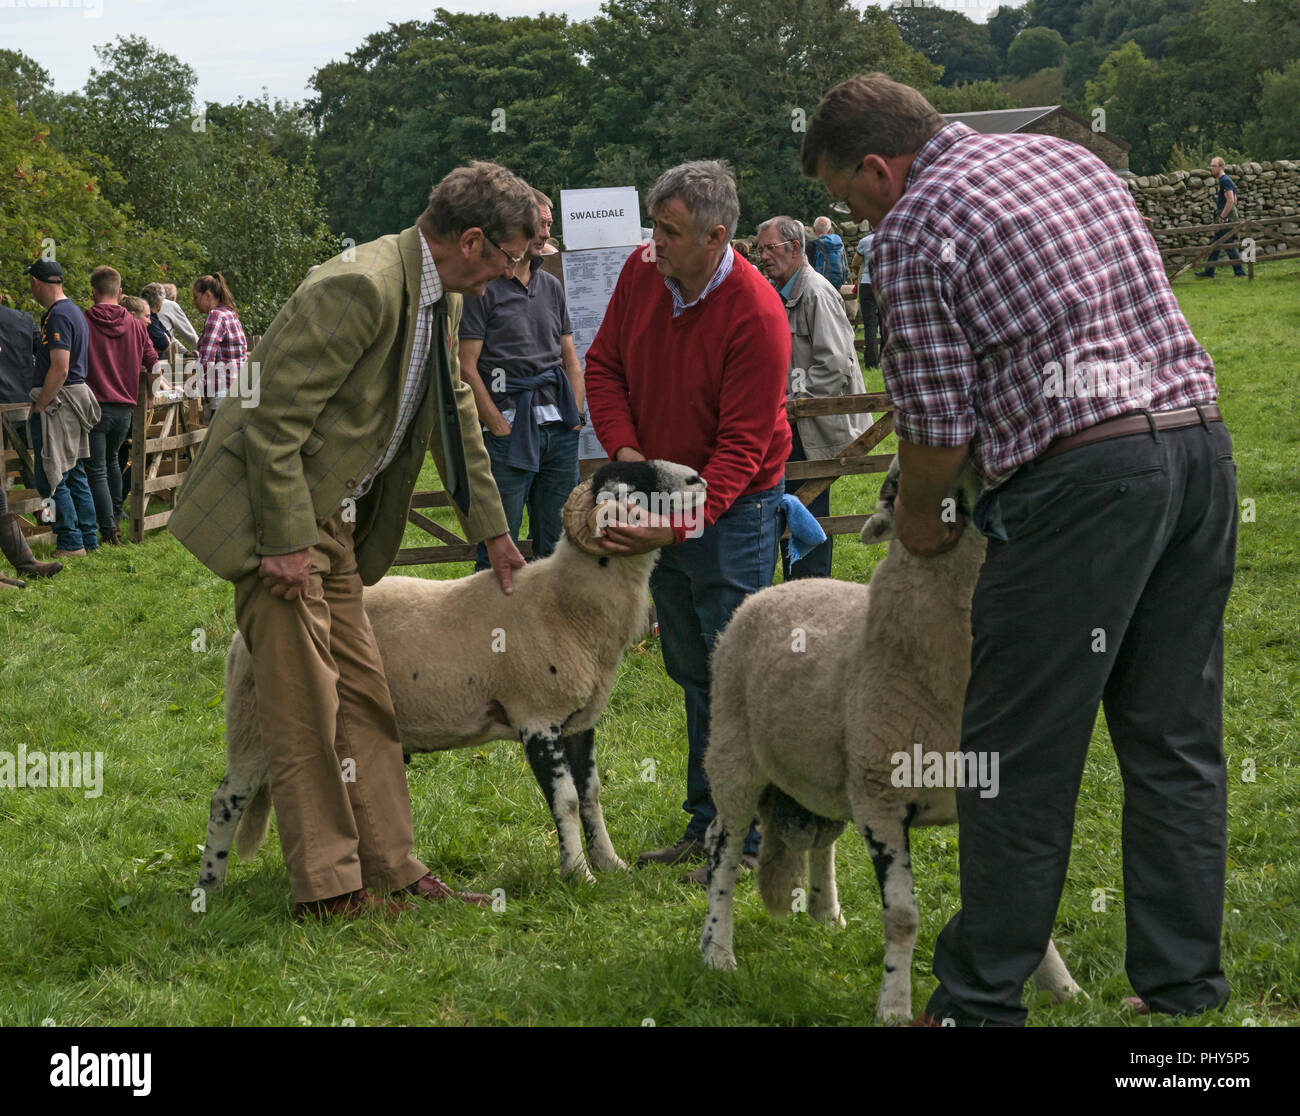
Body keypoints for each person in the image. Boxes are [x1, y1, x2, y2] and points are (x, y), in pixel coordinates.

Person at [803, 72, 1235, 1025]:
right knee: (1175, 743)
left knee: (1011, 754)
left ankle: (977, 1002)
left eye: (847, 195)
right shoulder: (1067, 158)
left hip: (1084, 482)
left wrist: (921, 517)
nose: (855, 214)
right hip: (1197, 448)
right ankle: (1182, 994)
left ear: (880, 167)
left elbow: (937, 428)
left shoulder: (914, 230)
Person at [169, 161, 536, 921]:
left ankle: (394, 870)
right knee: (305, 705)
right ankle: (330, 892)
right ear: (472, 241)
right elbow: (269, 420)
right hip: (281, 524)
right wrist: (282, 543)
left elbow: (456, 411)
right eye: (511, 257)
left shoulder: (440, 299)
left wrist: (493, 531)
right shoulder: (362, 286)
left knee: (366, 698)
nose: (512, 274)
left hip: (332, 524)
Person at [584, 160, 791, 876]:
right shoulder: (643, 276)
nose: (654, 243)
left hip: (734, 506)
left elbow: (742, 450)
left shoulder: (758, 314)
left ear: (716, 235)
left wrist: (672, 523)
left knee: (735, 667)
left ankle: (751, 836)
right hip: (661, 495)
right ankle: (711, 823)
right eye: (653, 227)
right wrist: (631, 457)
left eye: (668, 231)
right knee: (693, 666)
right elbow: (603, 367)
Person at [458, 189, 584, 569]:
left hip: (558, 431)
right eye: (539, 224)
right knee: (500, 546)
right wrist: (496, 424)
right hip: (509, 432)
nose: (546, 232)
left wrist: (574, 418)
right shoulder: (484, 289)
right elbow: (465, 365)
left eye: (549, 223)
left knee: (561, 545)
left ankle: (552, 628)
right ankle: (494, 626)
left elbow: (570, 359)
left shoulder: (551, 287)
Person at [755, 215, 867, 581]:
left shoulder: (815, 292)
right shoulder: (782, 292)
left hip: (812, 426)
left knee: (809, 511)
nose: (763, 257)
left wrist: (791, 404)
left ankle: (809, 595)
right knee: (791, 506)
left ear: (795, 248)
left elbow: (835, 364)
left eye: (770, 249)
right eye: (759, 250)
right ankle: (796, 590)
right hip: (796, 426)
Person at [25, 259, 100, 558]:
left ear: (38, 281)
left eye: (31, 281)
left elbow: (61, 367)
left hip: (60, 402)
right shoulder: (74, 312)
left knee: (52, 473)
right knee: (74, 470)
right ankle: (88, 537)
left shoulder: (57, 316)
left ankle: (70, 541)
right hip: (73, 397)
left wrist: (41, 404)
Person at [84, 267, 157, 546]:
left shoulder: (84, 321)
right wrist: (149, 392)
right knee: (113, 460)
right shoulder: (137, 326)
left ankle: (106, 529)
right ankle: (114, 516)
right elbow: (153, 363)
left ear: (93, 291)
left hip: (94, 405)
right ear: (120, 291)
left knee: (97, 468)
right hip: (125, 407)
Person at [0, 304, 62, 583]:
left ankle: (28, 558)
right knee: (33, 472)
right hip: (21, 403)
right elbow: (48, 356)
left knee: (21, 477)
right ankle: (47, 520)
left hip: (8, 409)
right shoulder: (22, 320)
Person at [191, 273, 247, 421]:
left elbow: (207, 357)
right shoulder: (230, 314)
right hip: (240, 389)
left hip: (224, 393)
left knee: (218, 442)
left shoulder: (216, 316)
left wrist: (205, 390)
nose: (193, 302)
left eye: (196, 297)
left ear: (208, 295)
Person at [1195, 157, 1248, 279]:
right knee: (1215, 245)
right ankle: (1209, 271)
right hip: (1225, 215)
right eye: (1211, 165)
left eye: (1214, 166)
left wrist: (1223, 216)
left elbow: (1231, 200)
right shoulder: (1223, 181)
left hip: (1226, 217)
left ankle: (1240, 273)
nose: (1211, 168)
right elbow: (1234, 198)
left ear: (1221, 167)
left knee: (1228, 245)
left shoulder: (1225, 181)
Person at [856, 226, 881, 366]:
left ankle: (871, 361)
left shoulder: (865, 241)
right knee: (886, 323)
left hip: (868, 283)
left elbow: (855, 262)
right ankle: (886, 358)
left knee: (870, 324)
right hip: (885, 283)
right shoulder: (891, 239)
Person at [807, 215, 848, 289]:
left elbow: (808, 268)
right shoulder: (838, 242)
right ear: (829, 230)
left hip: (819, 285)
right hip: (837, 284)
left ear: (813, 229)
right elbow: (845, 263)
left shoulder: (812, 245)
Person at [158, 283, 199, 351]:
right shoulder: (171, 305)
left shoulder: (149, 305)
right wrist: (204, 350)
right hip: (162, 354)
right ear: (174, 298)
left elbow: (169, 337)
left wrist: (185, 352)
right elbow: (190, 335)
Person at [139, 284, 175, 361]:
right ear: (159, 303)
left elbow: (167, 335)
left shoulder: (152, 318)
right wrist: (166, 337)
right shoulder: (150, 321)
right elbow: (164, 344)